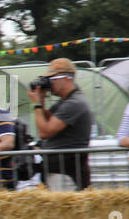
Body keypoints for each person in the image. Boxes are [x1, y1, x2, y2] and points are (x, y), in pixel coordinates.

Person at [29, 57, 92, 190]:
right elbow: (48, 119)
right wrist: (40, 100)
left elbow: (44, 132)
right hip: (59, 170)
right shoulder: (65, 101)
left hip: (67, 173)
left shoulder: (74, 103)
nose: (50, 83)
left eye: (52, 79)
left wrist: (36, 105)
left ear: (67, 78)